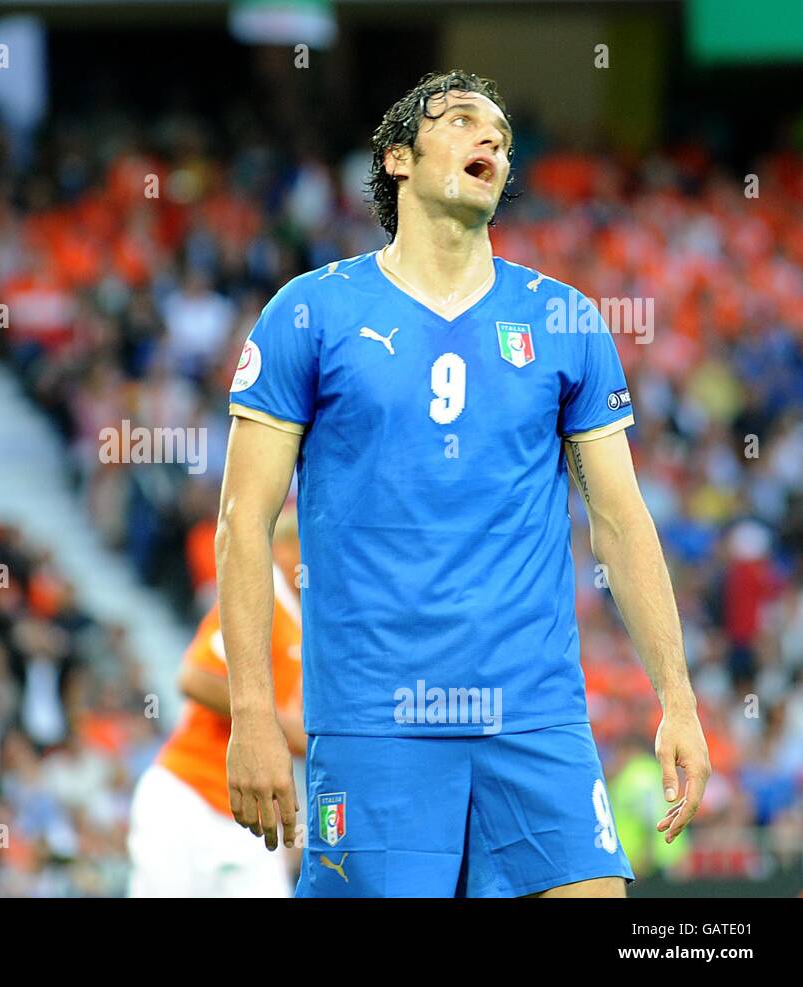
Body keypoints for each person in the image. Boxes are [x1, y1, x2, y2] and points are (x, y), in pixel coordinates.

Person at [216, 70, 711, 898]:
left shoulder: (566, 320)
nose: (492, 140)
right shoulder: (310, 313)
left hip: (535, 715)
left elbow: (621, 522)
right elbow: (243, 519)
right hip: (379, 721)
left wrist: (679, 699)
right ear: (397, 158)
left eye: (504, 136)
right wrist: (253, 711)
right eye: (462, 122)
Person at [128, 508, 303, 897]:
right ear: (289, 551)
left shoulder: (297, 618)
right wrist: (277, 723)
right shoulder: (263, 601)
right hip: (188, 796)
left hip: (246, 814)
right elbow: (193, 677)